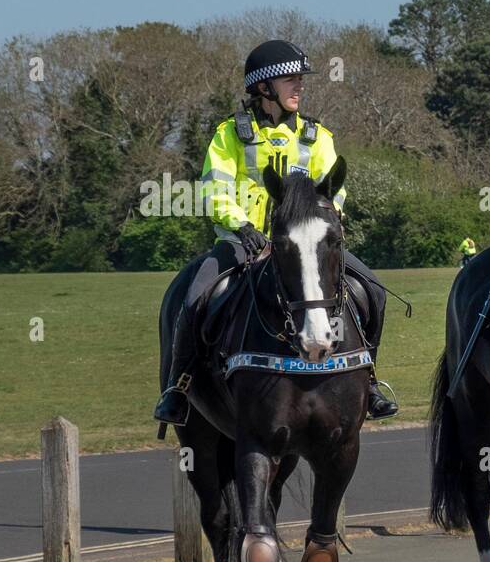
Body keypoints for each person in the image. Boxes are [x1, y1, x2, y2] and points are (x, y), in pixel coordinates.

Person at [153, 40, 398, 425]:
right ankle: (178, 387)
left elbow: (335, 189)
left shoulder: (318, 137)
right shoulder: (229, 135)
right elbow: (213, 187)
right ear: (264, 88)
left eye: (301, 79)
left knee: (374, 291)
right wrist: (241, 225)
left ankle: (368, 380)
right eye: (290, 79)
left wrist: (326, 221)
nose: (299, 86)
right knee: (194, 296)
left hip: (304, 244)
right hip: (241, 243)